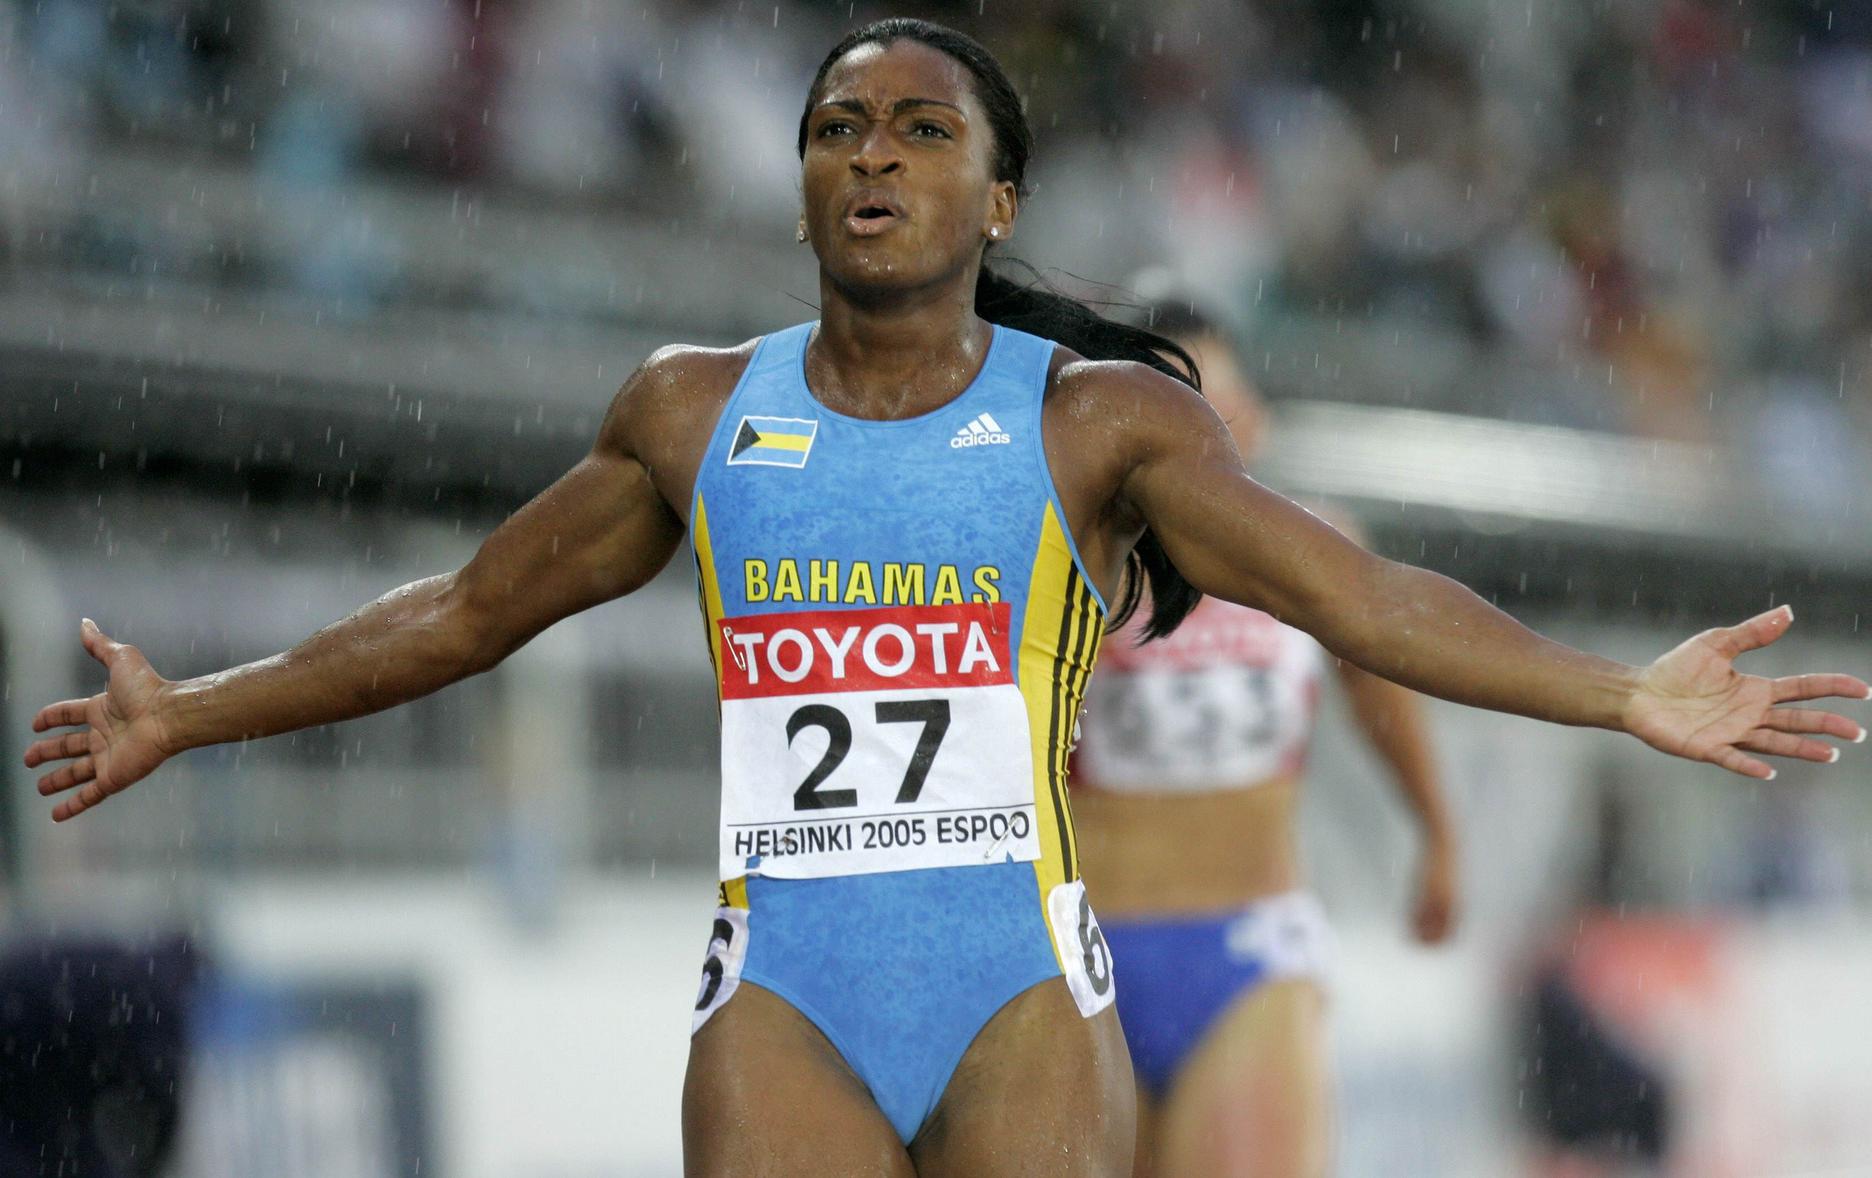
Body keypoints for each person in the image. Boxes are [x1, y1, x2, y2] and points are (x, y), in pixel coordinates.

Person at [22, 19, 1868, 1178]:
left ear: (998, 197)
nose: (873, 157)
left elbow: (1360, 597)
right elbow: (464, 611)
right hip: (787, 992)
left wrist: (1616, 692)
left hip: (1016, 991)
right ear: (801, 175)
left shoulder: (1098, 426)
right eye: (838, 128)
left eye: (919, 130)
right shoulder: (693, 410)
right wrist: (194, 707)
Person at [1069, 297, 1457, 1178]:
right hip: (1087, 953)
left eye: (1217, 408)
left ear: (1254, 421)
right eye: (1170, 408)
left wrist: (1437, 831)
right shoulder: (1076, 558)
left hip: (1246, 950)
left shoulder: (1312, 550)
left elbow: (1383, 690)